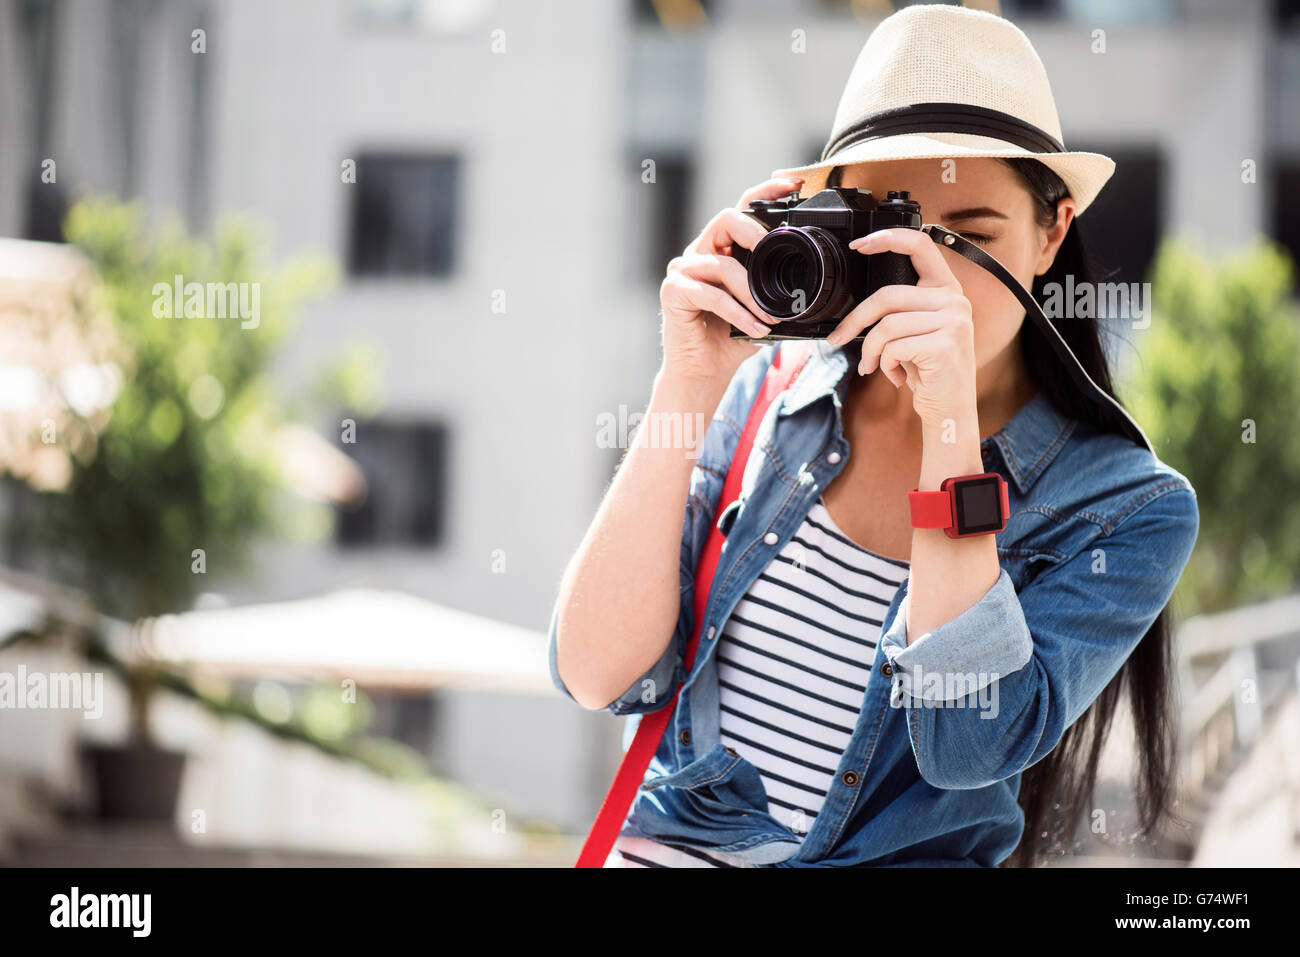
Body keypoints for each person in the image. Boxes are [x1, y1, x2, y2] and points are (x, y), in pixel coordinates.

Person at [548, 3, 1199, 867]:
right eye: (888, 232)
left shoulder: (1126, 507)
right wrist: (688, 381)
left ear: (1054, 231)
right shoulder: (767, 397)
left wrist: (949, 428)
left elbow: (966, 743)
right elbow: (596, 672)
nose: (925, 275)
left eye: (968, 236)